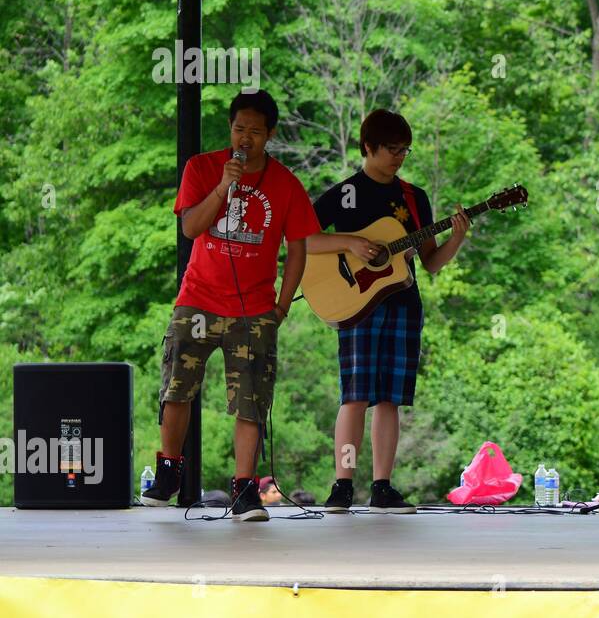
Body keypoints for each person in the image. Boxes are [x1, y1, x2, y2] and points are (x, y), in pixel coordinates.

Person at [142, 91, 321, 521]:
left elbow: (298, 247)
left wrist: (282, 304)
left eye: (256, 132)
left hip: (254, 307)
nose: (246, 138)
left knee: (251, 401)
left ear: (271, 134)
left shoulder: (286, 184)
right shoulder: (202, 168)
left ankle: (245, 491)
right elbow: (190, 227)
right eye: (239, 129)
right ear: (230, 128)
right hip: (198, 298)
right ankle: (169, 470)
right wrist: (224, 185)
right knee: (177, 387)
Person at [308, 109, 470, 514]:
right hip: (357, 303)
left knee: (390, 399)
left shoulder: (415, 198)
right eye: (391, 150)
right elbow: (302, 239)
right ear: (368, 147)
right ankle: (341, 485)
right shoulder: (345, 193)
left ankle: (382, 486)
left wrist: (458, 238)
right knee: (355, 394)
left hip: (401, 301)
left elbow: (430, 263)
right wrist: (351, 243)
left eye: (404, 151)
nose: (399, 157)